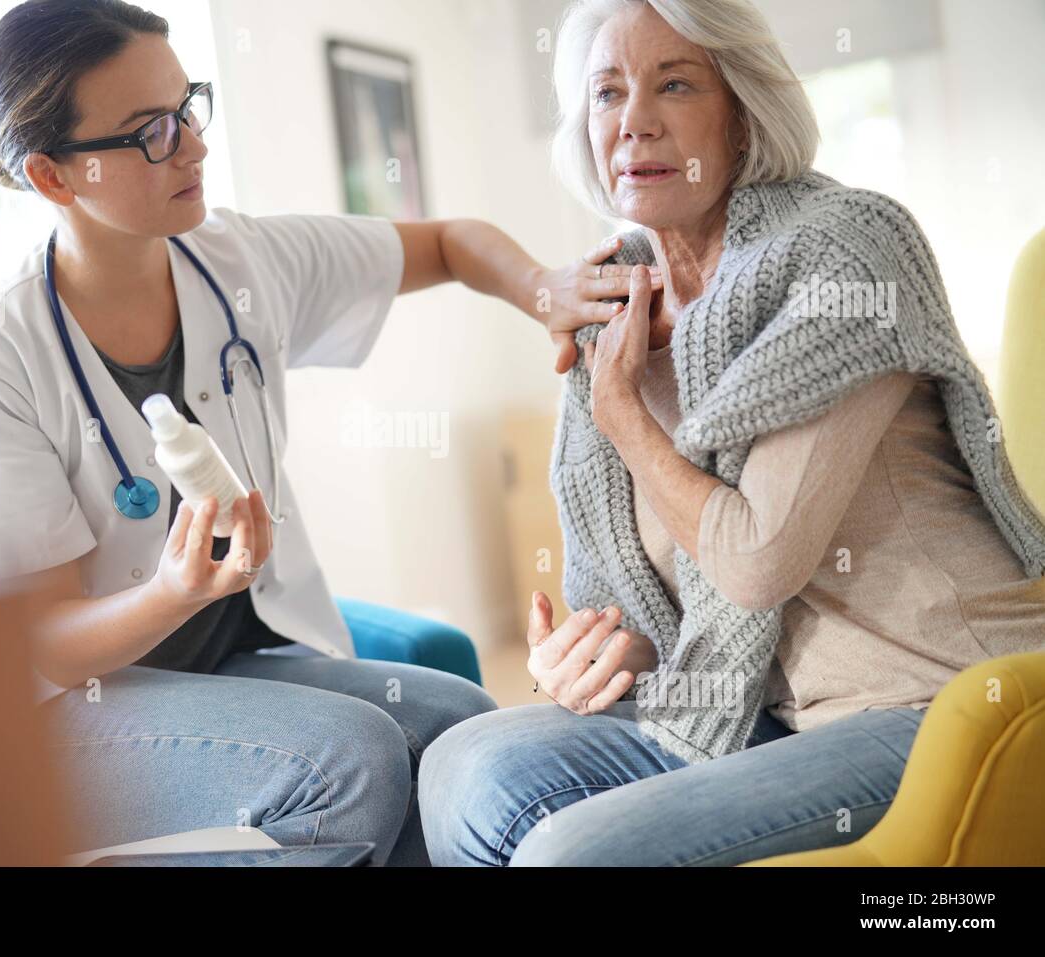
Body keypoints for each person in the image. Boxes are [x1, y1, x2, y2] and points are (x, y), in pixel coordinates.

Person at [0, 0, 625, 866]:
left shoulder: (238, 264)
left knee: (467, 736)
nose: (193, 145)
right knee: (351, 762)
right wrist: (169, 594)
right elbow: (42, 643)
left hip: (233, 668)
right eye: (151, 132)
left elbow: (448, 242)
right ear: (54, 177)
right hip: (63, 720)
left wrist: (542, 289)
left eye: (190, 107)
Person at [417, 0, 1045, 866]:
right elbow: (648, 611)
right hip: (763, 709)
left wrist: (629, 422)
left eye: (674, 84)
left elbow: (754, 559)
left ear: (743, 118)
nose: (634, 121)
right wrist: (595, 655)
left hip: (944, 700)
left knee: (573, 852)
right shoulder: (612, 296)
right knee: (462, 764)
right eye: (607, 93)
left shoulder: (848, 255)